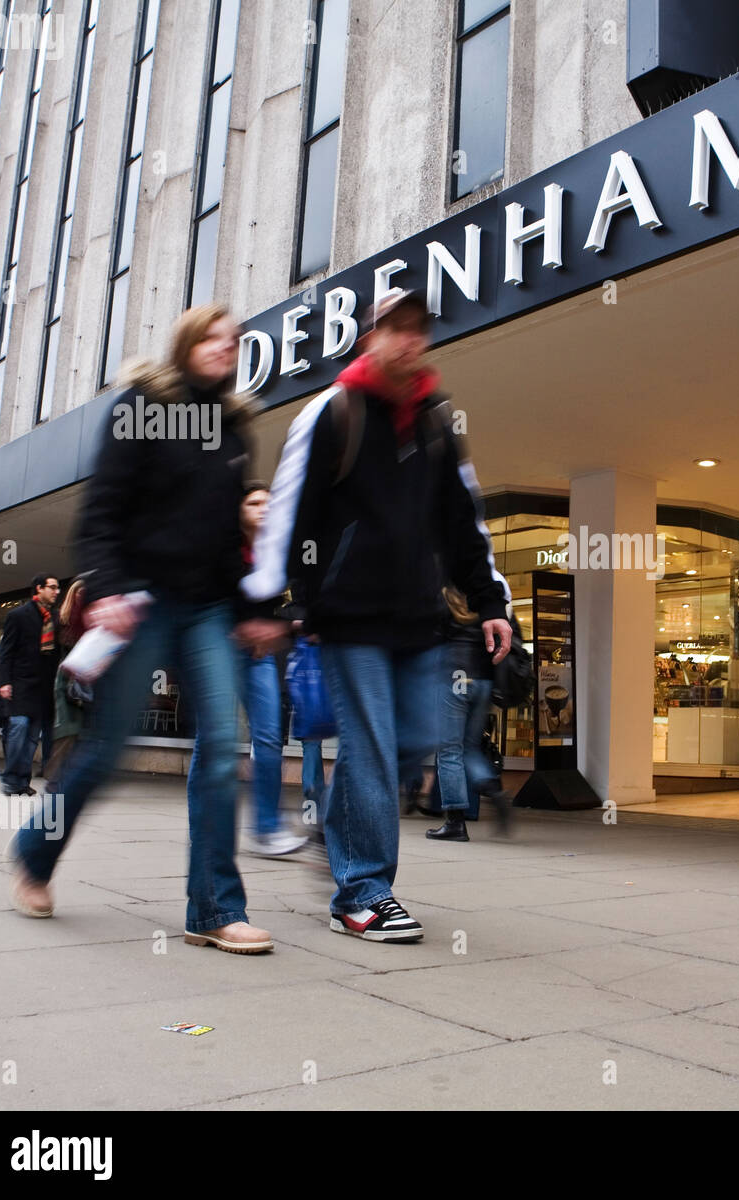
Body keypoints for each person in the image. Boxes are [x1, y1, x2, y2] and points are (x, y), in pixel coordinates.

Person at [240, 288, 511, 944]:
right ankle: (361, 892)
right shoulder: (332, 412)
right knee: (369, 743)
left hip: (420, 621)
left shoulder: (439, 424)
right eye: (395, 328)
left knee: (415, 742)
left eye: (418, 329)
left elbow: (463, 523)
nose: (408, 340)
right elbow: (289, 514)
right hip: (349, 617)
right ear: (370, 337)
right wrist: (278, 602)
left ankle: (334, 838)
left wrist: (493, 601)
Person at [10, 305, 276, 955]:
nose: (225, 348)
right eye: (212, 337)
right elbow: (101, 512)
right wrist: (104, 591)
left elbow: (224, 541)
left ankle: (212, 909)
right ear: (185, 343)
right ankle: (35, 854)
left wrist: (249, 612)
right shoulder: (143, 407)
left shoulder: (234, 430)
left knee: (221, 744)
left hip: (208, 606)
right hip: (143, 602)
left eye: (234, 340)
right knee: (107, 748)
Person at [189, 483, 306, 858]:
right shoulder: (221, 547)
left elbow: (281, 605)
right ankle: (202, 826)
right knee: (211, 740)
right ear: (238, 510)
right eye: (254, 502)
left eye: (269, 503)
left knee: (270, 736)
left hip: (258, 656)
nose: (263, 509)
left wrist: (288, 625)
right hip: (219, 651)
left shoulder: (277, 552)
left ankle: (267, 828)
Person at [426, 585, 512, 842]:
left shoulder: (442, 598)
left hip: (453, 676)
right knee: (470, 748)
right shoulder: (485, 600)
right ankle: (494, 791)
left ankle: (455, 823)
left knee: (449, 750)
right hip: (483, 680)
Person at [0, 575, 61, 796]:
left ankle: (22, 781)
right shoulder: (18, 615)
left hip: (44, 688)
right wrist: (4, 682)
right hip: (20, 684)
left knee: (33, 738)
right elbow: (5, 653)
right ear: (39, 589)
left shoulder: (55, 618)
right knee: (19, 727)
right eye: (52, 587)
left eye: (58, 588)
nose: (56, 591)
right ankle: (10, 777)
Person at [43, 580, 89, 798]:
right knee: (66, 733)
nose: (82, 598)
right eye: (78, 594)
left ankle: (69, 784)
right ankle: (53, 784)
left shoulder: (90, 621)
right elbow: (48, 654)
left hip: (86, 681)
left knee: (81, 735)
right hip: (64, 682)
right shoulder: (59, 620)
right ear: (72, 595)